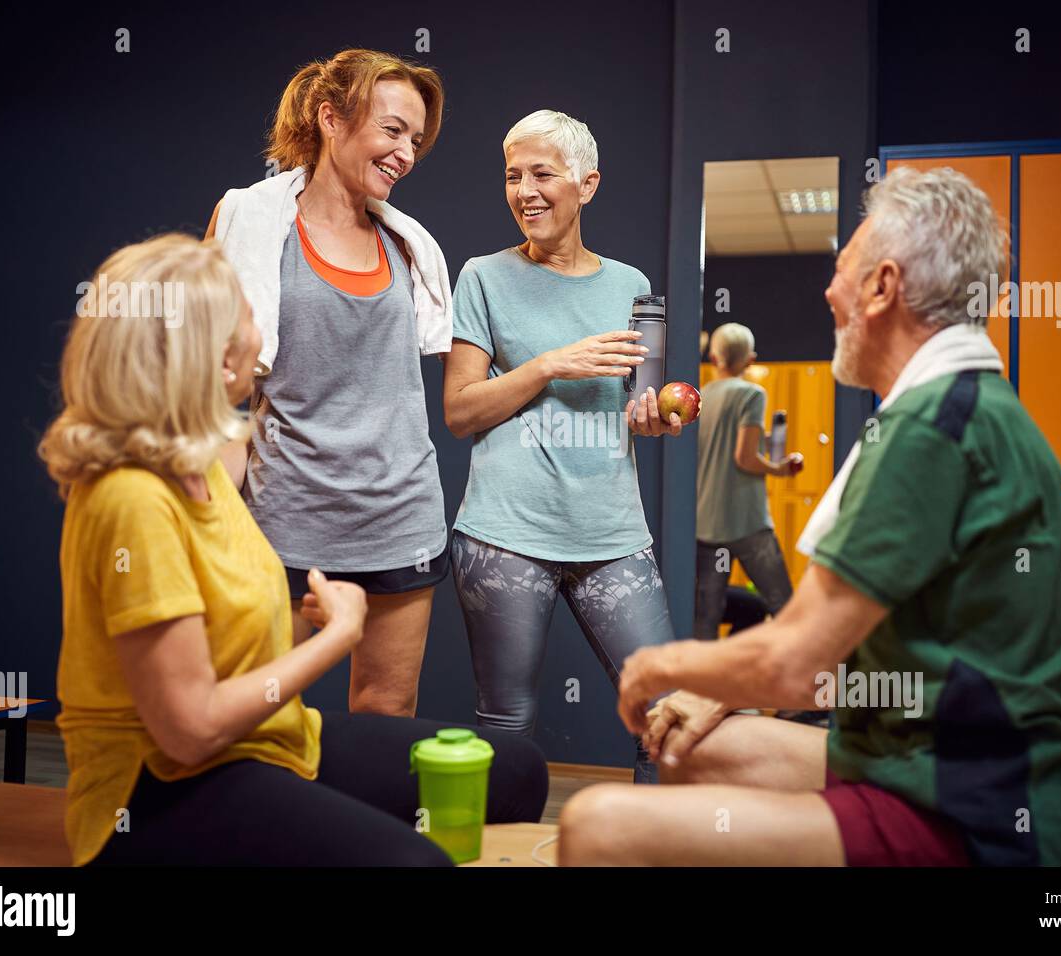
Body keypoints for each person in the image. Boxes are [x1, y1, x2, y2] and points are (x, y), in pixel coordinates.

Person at [557, 166, 1061, 866]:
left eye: (843, 269)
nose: (828, 292)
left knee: (597, 824)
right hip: (920, 757)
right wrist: (717, 691)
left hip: (972, 812)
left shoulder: (932, 429)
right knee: (693, 744)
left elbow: (796, 668)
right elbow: (853, 656)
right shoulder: (960, 405)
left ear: (883, 287)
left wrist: (662, 663)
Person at [41, 234, 546, 866]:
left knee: (517, 770)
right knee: (417, 864)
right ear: (223, 363)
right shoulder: (131, 501)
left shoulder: (201, 462)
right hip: (160, 789)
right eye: (248, 310)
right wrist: (337, 637)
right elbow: (191, 731)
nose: (265, 317)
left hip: (272, 741)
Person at [442, 110, 688, 784]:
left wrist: (654, 418)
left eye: (542, 173)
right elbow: (461, 411)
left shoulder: (630, 286)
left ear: (587, 183)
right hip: (505, 532)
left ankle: (650, 850)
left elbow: (637, 409)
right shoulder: (482, 278)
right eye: (513, 176)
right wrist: (551, 364)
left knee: (666, 712)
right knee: (506, 722)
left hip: (611, 530)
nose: (525, 190)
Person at [207, 49, 454, 717]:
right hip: (286, 514)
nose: (406, 153)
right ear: (330, 120)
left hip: (400, 515)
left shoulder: (411, 248)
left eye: (416, 139)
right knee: (257, 714)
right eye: (393, 130)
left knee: (383, 715)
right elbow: (200, 379)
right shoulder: (250, 225)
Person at [694, 322, 802, 640]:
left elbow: (721, 447)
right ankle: (798, 683)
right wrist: (781, 469)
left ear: (714, 358)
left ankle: (706, 686)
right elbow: (744, 458)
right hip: (747, 521)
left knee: (706, 618)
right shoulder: (752, 394)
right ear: (750, 360)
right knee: (783, 606)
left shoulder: (701, 397)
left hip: (706, 524)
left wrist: (762, 443)